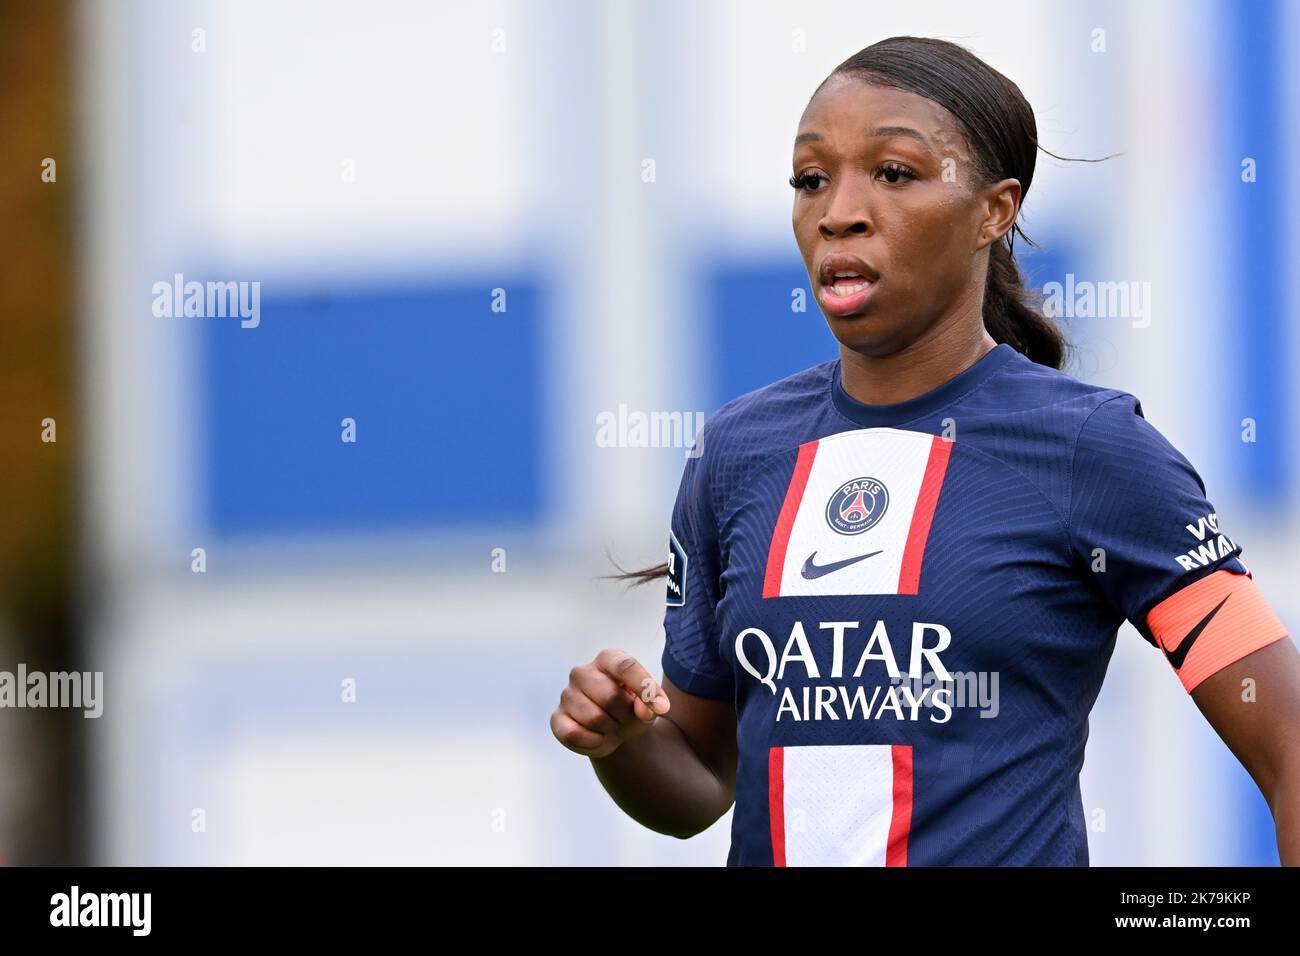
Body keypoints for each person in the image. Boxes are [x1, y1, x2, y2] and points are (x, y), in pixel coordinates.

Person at [550, 36, 1299, 866]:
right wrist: (621, 742)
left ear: (994, 210)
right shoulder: (735, 451)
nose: (838, 211)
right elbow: (698, 780)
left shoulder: (1094, 448)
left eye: (895, 173)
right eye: (810, 179)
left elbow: (1290, 747)